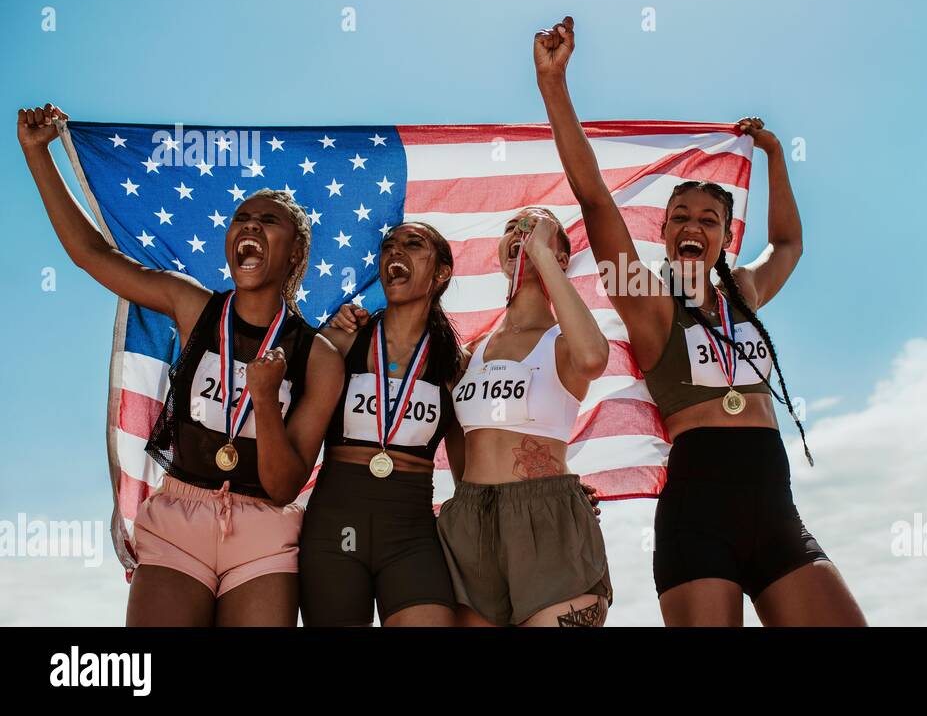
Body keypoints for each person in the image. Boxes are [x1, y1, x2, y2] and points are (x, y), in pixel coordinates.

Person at [533, 19, 868, 626]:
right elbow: (596, 201)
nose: (693, 227)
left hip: (777, 514)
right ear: (662, 233)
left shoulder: (743, 293)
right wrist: (554, 85)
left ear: (724, 237)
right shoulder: (649, 302)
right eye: (680, 216)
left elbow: (788, 243)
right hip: (698, 518)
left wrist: (773, 154)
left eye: (709, 220)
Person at [18, 104, 343, 627]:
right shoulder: (193, 306)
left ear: (295, 252)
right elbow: (92, 255)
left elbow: (285, 487)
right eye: (242, 218)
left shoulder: (319, 357)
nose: (250, 228)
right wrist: (39, 155)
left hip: (264, 529)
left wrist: (264, 397)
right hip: (179, 519)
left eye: (268, 221)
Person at [437, 207, 613, 626]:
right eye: (511, 230)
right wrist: (478, 510)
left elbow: (593, 357)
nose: (521, 232)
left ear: (562, 257)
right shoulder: (470, 352)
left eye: (535, 228)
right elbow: (458, 445)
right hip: (471, 520)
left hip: (548, 521)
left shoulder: (564, 344)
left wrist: (543, 255)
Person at [299, 222, 463, 626]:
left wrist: (547, 480)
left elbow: (473, 471)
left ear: (442, 272)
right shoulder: (342, 339)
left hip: (411, 534)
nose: (395, 253)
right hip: (336, 527)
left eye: (412, 244)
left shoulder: (455, 367)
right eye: (388, 246)